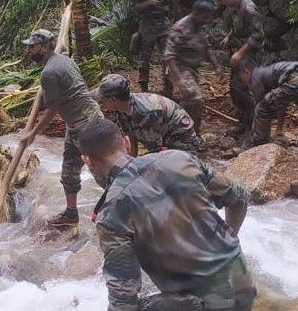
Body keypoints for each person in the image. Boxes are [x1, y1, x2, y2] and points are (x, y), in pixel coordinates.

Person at [81, 118, 255, 311]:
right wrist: (228, 238)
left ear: (88, 161)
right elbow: (239, 198)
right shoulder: (179, 159)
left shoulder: (111, 213)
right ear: (127, 143)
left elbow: (123, 295)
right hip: (243, 285)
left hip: (206, 304)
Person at [19, 29, 104, 228]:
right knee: (69, 170)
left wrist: (33, 133)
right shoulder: (64, 60)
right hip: (77, 124)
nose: (29, 51)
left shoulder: (49, 72)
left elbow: (52, 109)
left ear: (45, 47)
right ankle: (71, 213)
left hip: (87, 125)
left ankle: (126, 207)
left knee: (101, 170)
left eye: (32, 47)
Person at [92, 74, 205, 155]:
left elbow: (156, 152)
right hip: (163, 136)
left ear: (113, 99)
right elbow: (132, 140)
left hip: (181, 137)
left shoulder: (145, 113)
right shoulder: (122, 109)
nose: (101, 102)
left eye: (103, 99)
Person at [214, 0, 266, 136]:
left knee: (245, 89)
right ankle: (243, 122)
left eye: (222, 0)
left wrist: (240, 53)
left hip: (251, 54)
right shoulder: (235, 7)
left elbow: (258, 35)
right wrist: (229, 36)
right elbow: (238, 26)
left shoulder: (248, 9)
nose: (223, 4)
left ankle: (253, 127)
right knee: (235, 88)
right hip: (241, 52)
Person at [240, 59, 298, 150]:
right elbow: (280, 103)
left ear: (246, 72)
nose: (242, 80)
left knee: (263, 107)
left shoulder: (255, 76)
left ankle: (261, 144)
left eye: (241, 76)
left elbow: (262, 106)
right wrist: (279, 130)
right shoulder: (267, 73)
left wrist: (253, 129)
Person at [164, 0, 222, 133]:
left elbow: (207, 48)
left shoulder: (201, 26)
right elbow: (169, 56)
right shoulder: (181, 28)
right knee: (194, 99)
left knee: (192, 102)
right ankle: (183, 130)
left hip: (193, 69)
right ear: (195, 14)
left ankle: (192, 132)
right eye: (205, 17)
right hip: (179, 68)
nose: (208, 20)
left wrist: (217, 67)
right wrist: (178, 79)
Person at [129, 0, 183, 94]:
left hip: (163, 23)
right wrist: (150, 3)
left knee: (168, 56)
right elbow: (135, 7)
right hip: (147, 24)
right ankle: (144, 89)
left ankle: (168, 90)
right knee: (144, 58)